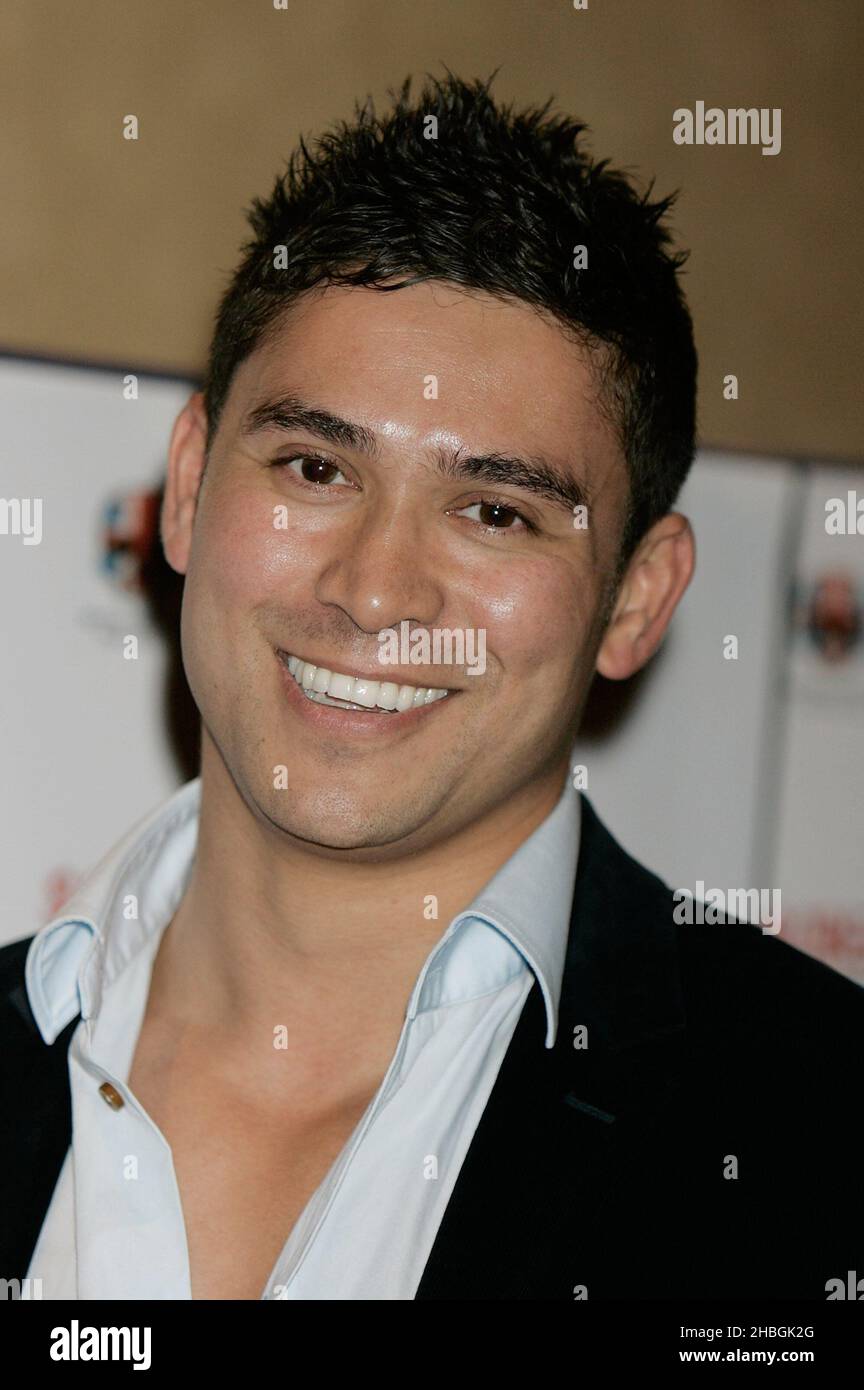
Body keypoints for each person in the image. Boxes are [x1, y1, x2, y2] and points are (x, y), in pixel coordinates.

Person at [1, 72, 860, 1302]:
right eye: (315, 464)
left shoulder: (820, 1134)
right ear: (186, 488)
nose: (374, 590)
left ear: (636, 599)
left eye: (495, 511)